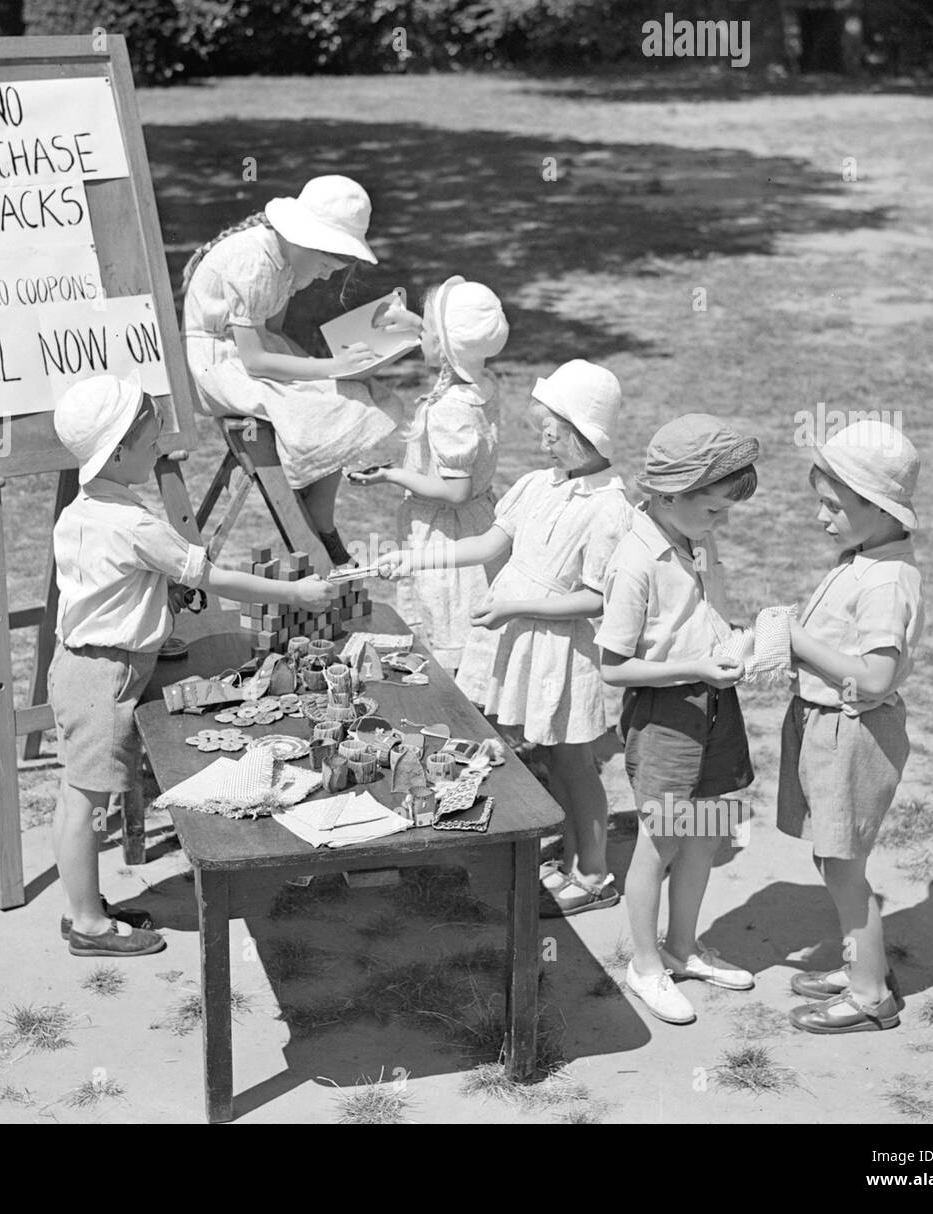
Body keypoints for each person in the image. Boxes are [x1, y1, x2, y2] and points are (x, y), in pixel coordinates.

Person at [49, 374, 334, 957]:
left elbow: (110, 587)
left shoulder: (85, 511)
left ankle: (84, 906)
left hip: (82, 664)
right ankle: (87, 926)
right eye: (151, 441)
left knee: (78, 793)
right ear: (120, 451)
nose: (159, 450)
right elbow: (212, 575)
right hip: (104, 675)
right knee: (83, 799)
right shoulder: (134, 525)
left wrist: (157, 600)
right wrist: (296, 595)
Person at [379, 360, 631, 916]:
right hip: (520, 641)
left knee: (574, 762)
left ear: (585, 430)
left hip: (560, 650)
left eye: (556, 425)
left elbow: (596, 600)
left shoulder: (609, 507)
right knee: (548, 755)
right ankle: (570, 852)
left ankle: (594, 873)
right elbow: (490, 545)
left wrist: (519, 604)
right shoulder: (536, 485)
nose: (543, 434)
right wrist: (415, 558)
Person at [598, 414, 760, 1024]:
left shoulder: (696, 538)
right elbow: (615, 667)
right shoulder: (635, 561)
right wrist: (694, 665)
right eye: (715, 509)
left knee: (708, 830)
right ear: (670, 493)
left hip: (716, 702)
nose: (723, 523)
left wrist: (743, 638)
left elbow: (705, 615)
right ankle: (645, 965)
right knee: (661, 842)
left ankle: (683, 948)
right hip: (667, 713)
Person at [781, 419, 923, 1033]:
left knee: (842, 864)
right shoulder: (866, 556)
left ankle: (871, 997)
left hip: (853, 733)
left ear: (881, 508)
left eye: (834, 506)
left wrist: (796, 640)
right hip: (829, 728)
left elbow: (872, 678)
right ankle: (857, 960)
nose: (822, 518)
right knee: (834, 858)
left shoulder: (887, 579)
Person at [181, 175, 399, 569]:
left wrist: (334, 375)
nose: (327, 276)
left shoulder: (285, 262)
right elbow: (254, 361)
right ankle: (313, 520)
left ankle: (323, 518)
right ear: (305, 240)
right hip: (220, 365)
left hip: (251, 354)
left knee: (351, 396)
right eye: (326, 265)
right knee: (325, 405)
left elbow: (273, 334)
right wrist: (330, 367)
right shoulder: (254, 262)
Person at [349, 275, 508, 672]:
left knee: (447, 633)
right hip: (477, 522)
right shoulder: (483, 382)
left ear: (445, 344)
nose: (422, 334)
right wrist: (410, 322)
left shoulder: (448, 409)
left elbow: (455, 491)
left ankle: (458, 712)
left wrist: (391, 476)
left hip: (446, 532)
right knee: (467, 631)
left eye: (428, 329)